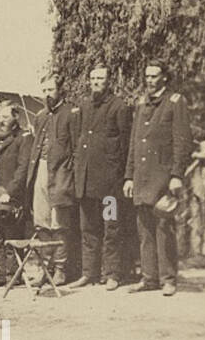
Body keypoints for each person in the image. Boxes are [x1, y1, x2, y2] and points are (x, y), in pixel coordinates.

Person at [124, 61, 192, 297]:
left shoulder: (175, 102)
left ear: (164, 78)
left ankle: (168, 279)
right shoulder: (142, 103)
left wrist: (176, 175)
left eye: (154, 76)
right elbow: (134, 143)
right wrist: (129, 177)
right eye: (147, 76)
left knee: (164, 228)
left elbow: (183, 142)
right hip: (142, 177)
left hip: (163, 177)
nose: (150, 80)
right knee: (144, 230)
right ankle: (149, 278)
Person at [72, 65, 133, 290]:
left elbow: (126, 146)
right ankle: (89, 273)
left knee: (111, 229)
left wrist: (126, 177)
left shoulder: (119, 107)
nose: (96, 82)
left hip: (110, 186)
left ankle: (112, 274)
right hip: (86, 183)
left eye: (101, 78)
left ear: (109, 81)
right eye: (93, 78)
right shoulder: (84, 106)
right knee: (88, 229)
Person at [25, 78, 81, 285]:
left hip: (61, 174)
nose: (47, 94)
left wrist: (70, 176)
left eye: (51, 89)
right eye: (44, 90)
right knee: (41, 223)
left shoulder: (71, 113)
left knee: (59, 224)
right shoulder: (40, 116)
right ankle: (43, 268)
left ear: (60, 91)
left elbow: (76, 149)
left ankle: (60, 269)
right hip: (40, 170)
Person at [0, 100, 32, 287]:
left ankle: (14, 275)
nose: (1, 120)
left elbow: (22, 168)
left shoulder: (24, 137)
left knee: (12, 237)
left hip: (11, 196)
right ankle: (1, 274)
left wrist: (10, 193)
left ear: (16, 116)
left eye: (5, 117)